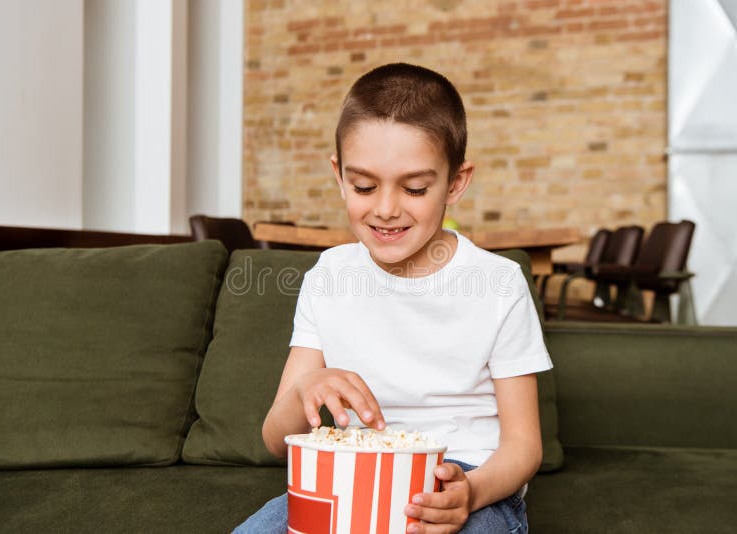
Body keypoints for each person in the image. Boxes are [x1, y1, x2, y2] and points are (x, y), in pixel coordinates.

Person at [233, 62, 552, 534]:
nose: (385, 208)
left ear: (456, 183)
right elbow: (276, 442)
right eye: (364, 186)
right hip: (345, 473)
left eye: (415, 188)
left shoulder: (499, 283)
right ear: (339, 176)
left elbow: (525, 446)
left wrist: (472, 493)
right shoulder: (330, 276)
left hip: (460, 480)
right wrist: (304, 391)